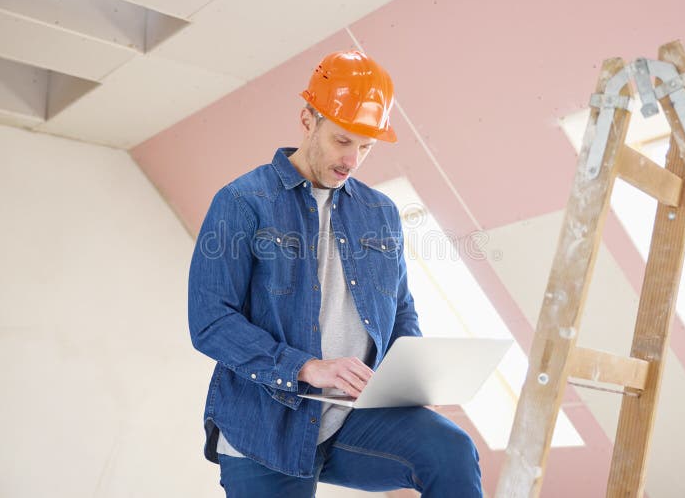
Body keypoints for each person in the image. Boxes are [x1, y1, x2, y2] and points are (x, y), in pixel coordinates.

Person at [188, 50, 482, 497]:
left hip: (353, 418)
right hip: (268, 426)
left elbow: (400, 309)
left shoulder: (379, 212)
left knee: (449, 448)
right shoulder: (243, 201)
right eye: (343, 141)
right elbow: (211, 321)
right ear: (308, 120)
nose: (353, 160)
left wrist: (411, 379)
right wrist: (306, 367)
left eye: (366, 147)